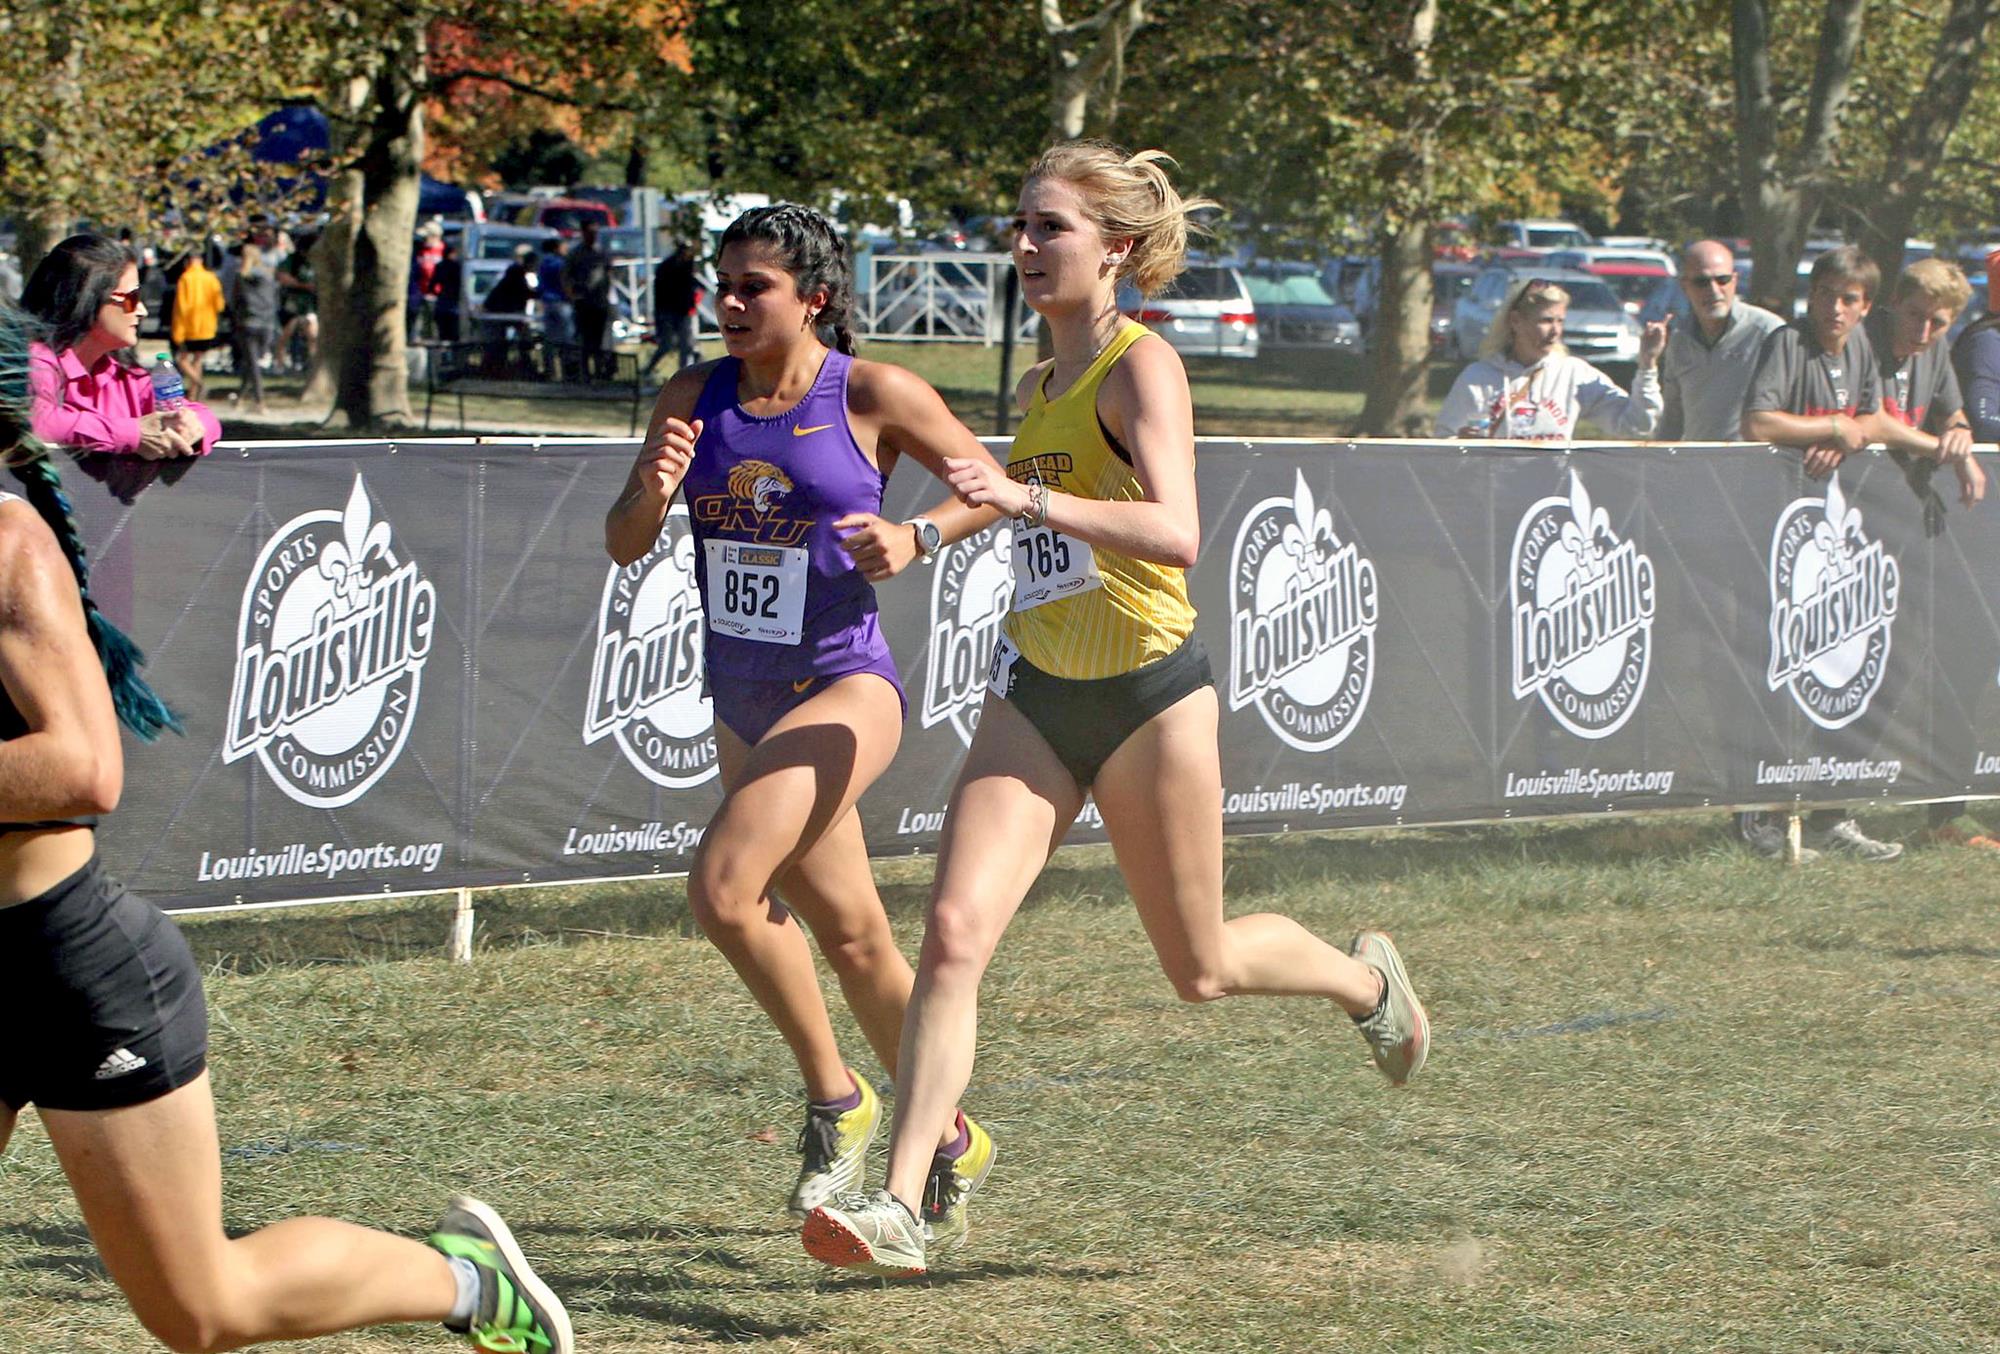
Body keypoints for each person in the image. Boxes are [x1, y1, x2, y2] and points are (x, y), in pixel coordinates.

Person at [800, 142, 1429, 1279]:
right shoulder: (1040, 385)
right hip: (1036, 691)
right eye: (1020, 226)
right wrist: (926, 533)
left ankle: (1366, 983)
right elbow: (1010, 505)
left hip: (1148, 696)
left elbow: (1176, 533)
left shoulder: (1144, 367)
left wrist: (1030, 493)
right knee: (948, 936)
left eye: (1051, 227)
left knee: (1199, 968)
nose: (1026, 247)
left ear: (1116, 250)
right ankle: (901, 1201)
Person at [0, 302, 571, 1354]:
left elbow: (83, 766)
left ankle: (468, 1282)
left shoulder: (6, 544)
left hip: (69, 970)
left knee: (203, 1307)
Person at [604, 203, 1005, 1231]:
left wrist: (916, 534)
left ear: (813, 295)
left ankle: (838, 1097)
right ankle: (954, 1137)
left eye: (755, 287)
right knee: (856, 936)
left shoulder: (869, 391)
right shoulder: (691, 395)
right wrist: (650, 493)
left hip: (843, 684)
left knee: (725, 889)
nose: (729, 303)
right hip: (738, 690)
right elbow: (621, 540)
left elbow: (989, 488)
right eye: (722, 283)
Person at [1737, 244, 1903, 863]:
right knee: (1771, 677)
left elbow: (1869, 419)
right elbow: (1758, 423)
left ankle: (1832, 816)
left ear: (1865, 308)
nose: (1836, 309)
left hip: (1833, 538)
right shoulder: (1789, 342)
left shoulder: (1860, 348)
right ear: (1813, 296)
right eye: (1827, 294)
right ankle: (1761, 824)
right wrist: (1832, 429)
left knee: (1835, 678)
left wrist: (1849, 433)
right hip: (1770, 531)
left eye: (1850, 299)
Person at [1861, 258, 1994, 848]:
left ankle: (1942, 810)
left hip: (1914, 528)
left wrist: (1958, 428)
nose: (1921, 333)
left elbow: (1955, 409)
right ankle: (1804, 807)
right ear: (1892, 303)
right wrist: (1948, 448)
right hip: (1850, 527)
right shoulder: (1863, 344)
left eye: (1936, 323)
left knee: (1937, 664)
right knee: (1868, 671)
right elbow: (1875, 424)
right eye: (1914, 317)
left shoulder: (1938, 351)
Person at [21, 234, 216, 460]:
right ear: (86, 298)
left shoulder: (122, 374)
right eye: (132, 298)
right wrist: (131, 434)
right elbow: (34, 422)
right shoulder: (32, 361)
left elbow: (197, 414)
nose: (142, 311)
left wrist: (192, 426)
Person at [1435, 275, 1666, 440]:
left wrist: (1647, 365)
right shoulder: (1478, 377)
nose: (1555, 331)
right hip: (1494, 500)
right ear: (1515, 321)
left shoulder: (1574, 374)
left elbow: (1637, 425)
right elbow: (1441, 447)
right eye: (1545, 321)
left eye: (1560, 321)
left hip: (1552, 500)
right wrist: (1461, 443)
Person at [1657, 240, 1785, 441]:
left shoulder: (1769, 333)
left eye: (1722, 280)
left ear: (1734, 280)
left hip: (1753, 465)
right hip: (1696, 465)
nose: (1714, 290)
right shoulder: (1679, 340)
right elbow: (1673, 418)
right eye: (1702, 282)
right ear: (1684, 285)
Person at [228, 243, 280, 416]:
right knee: (253, 363)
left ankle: (260, 401)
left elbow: (235, 301)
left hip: (248, 322)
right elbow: (274, 299)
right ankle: (240, 399)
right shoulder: (268, 276)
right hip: (267, 323)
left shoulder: (241, 276)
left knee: (252, 364)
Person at [170, 250, 227, 403]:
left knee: (182, 360)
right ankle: (193, 395)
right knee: (198, 360)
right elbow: (220, 304)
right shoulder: (211, 278)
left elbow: (181, 306)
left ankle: (199, 385)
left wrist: (178, 330)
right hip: (207, 327)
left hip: (189, 327)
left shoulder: (185, 278)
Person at [644, 238, 703, 376]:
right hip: (668, 311)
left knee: (687, 345)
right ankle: (648, 370)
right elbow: (661, 293)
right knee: (667, 344)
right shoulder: (667, 267)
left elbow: (694, 287)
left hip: (684, 312)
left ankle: (684, 374)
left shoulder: (689, 266)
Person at [563, 223, 614, 381]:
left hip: (600, 303)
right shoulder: (576, 253)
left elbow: (609, 273)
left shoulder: (602, 253)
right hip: (583, 303)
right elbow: (566, 276)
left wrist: (608, 293)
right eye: (590, 233)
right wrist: (572, 296)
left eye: (595, 233)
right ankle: (584, 373)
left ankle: (600, 371)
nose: (593, 236)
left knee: (599, 341)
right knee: (584, 340)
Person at [535, 238, 574, 380]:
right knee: (567, 339)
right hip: (561, 303)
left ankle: (549, 371)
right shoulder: (560, 264)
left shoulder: (542, 263)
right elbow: (565, 282)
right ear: (556, 248)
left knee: (550, 340)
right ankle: (567, 372)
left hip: (547, 304)